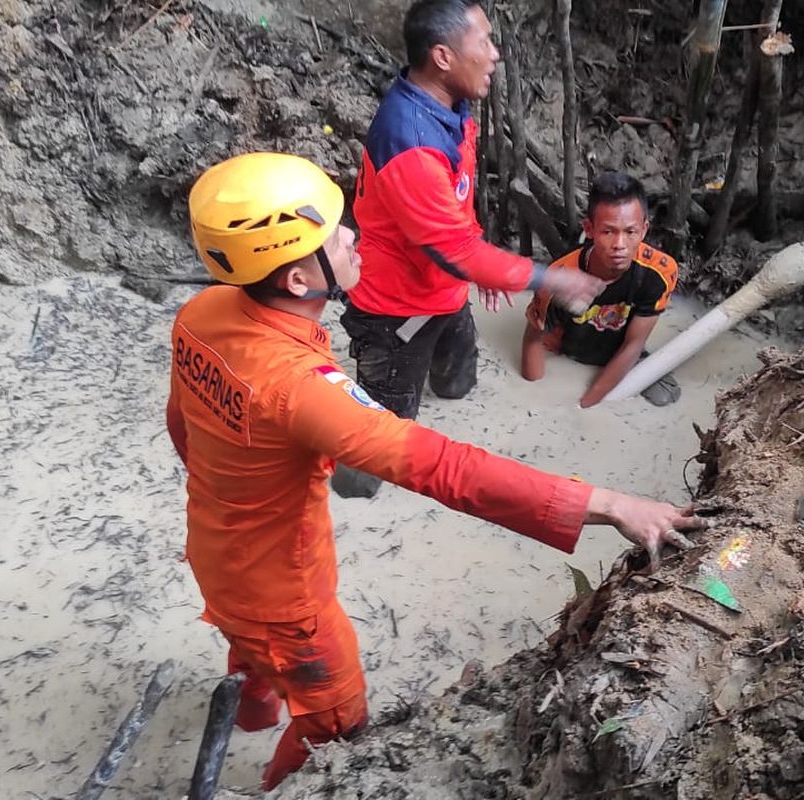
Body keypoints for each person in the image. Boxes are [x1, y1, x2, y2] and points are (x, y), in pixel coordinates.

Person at [166, 152, 704, 790]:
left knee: (254, 653)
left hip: (213, 547)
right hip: (287, 598)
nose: (351, 237)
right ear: (295, 280)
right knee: (337, 725)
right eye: (332, 236)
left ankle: (253, 708)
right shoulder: (300, 390)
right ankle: (275, 784)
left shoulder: (204, 314)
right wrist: (610, 503)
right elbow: (445, 468)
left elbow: (183, 428)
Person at [334, 0, 602, 498]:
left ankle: (441, 389)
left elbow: (455, 205)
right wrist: (549, 277)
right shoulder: (410, 140)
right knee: (374, 443)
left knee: (456, 383)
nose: (495, 54)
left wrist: (483, 267)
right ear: (442, 56)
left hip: (444, 288)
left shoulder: (450, 106)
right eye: (483, 42)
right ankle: (351, 494)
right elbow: (453, 247)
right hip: (395, 311)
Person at [521, 172, 682, 408]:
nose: (619, 245)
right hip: (565, 350)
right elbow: (533, 339)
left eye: (630, 232)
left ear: (644, 230)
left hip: (618, 349)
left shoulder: (660, 271)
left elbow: (633, 344)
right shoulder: (561, 277)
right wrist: (534, 400)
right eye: (608, 232)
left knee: (666, 396)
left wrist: (584, 406)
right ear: (589, 228)